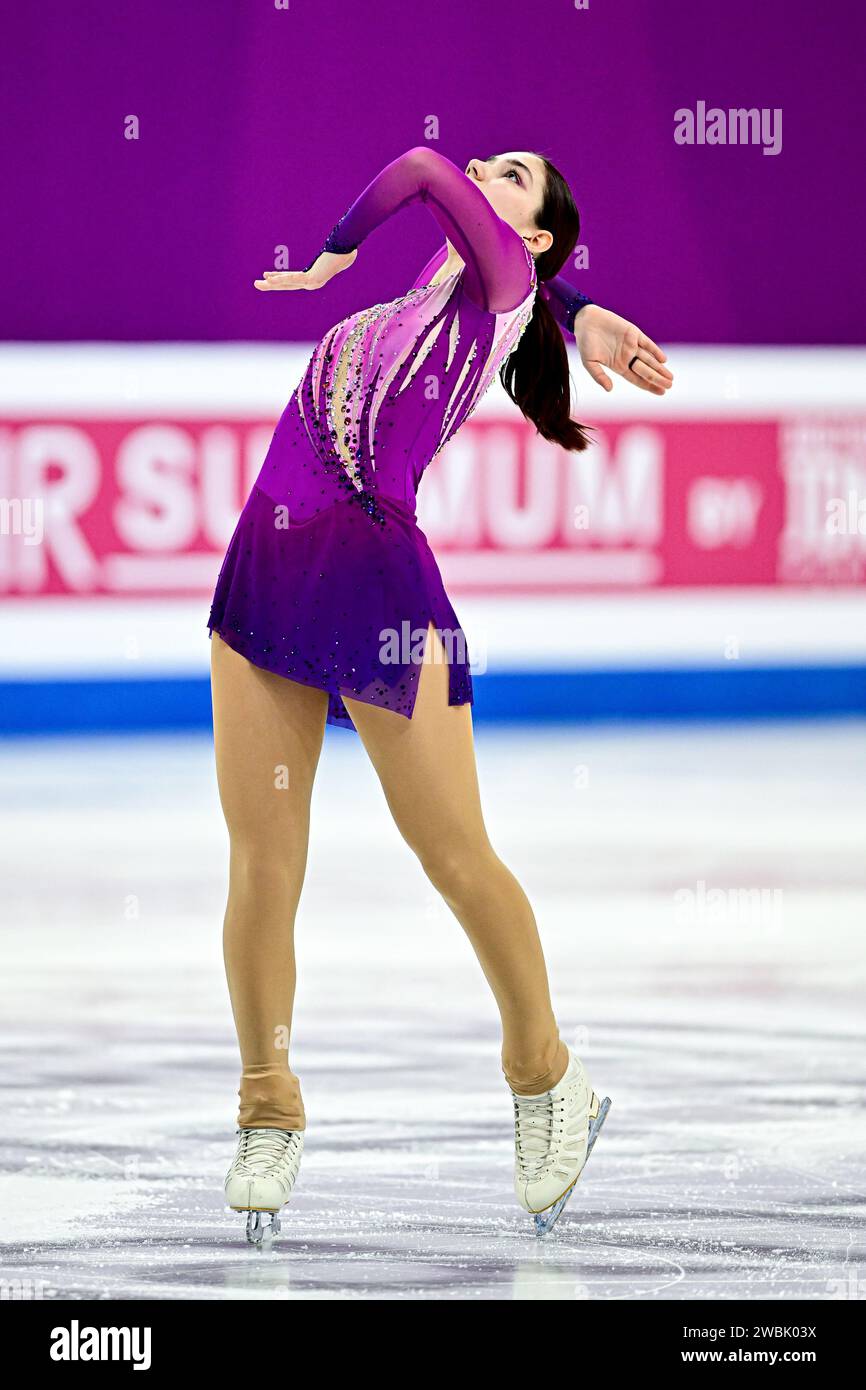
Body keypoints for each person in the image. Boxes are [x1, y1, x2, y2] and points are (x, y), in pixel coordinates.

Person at [208, 146, 672, 1241]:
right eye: (490, 166)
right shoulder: (464, 294)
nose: (481, 168)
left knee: (452, 850)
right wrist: (583, 307)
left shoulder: (505, 289)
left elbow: (419, 166)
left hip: (379, 587)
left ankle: (545, 1074)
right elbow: (479, 225)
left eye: (510, 173)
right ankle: (266, 1105)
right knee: (262, 862)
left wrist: (328, 258)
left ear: (537, 239)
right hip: (268, 569)